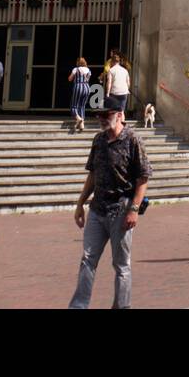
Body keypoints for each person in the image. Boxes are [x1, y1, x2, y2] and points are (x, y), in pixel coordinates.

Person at [69, 106, 151, 309]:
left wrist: (134, 209)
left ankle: (122, 306)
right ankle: (79, 306)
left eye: (106, 115)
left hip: (121, 210)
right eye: (99, 115)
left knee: (121, 265)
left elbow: (143, 178)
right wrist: (80, 203)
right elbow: (92, 174)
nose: (102, 119)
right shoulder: (98, 140)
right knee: (87, 259)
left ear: (120, 115)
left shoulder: (132, 139)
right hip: (97, 209)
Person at [69, 57, 92, 132]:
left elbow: (70, 78)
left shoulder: (76, 69)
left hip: (78, 86)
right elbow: (87, 79)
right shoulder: (88, 70)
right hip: (87, 87)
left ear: (78, 63)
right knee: (82, 106)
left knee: (74, 106)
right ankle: (82, 124)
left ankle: (78, 119)